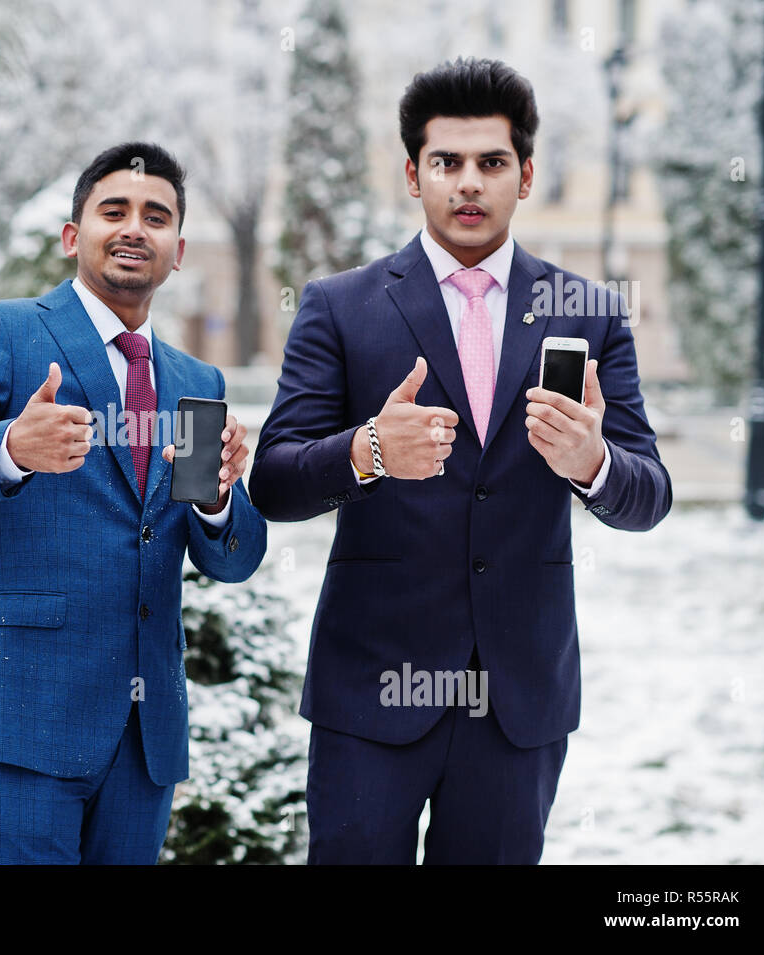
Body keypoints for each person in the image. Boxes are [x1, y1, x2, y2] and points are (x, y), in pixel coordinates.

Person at [250, 57, 671, 864]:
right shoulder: (340, 307)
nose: (468, 183)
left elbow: (648, 494)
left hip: (517, 703)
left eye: (492, 163)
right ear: (413, 174)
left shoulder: (588, 312)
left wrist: (593, 463)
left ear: (527, 174)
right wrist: (370, 449)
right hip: (371, 692)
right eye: (447, 163)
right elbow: (274, 479)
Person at [0, 141, 267, 864]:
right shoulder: (3, 331)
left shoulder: (198, 382)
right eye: (113, 210)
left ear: (179, 250)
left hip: (143, 736)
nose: (134, 228)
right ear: (73, 236)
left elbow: (235, 560)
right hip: (18, 713)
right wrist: (8, 447)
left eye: (156, 216)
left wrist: (219, 502)